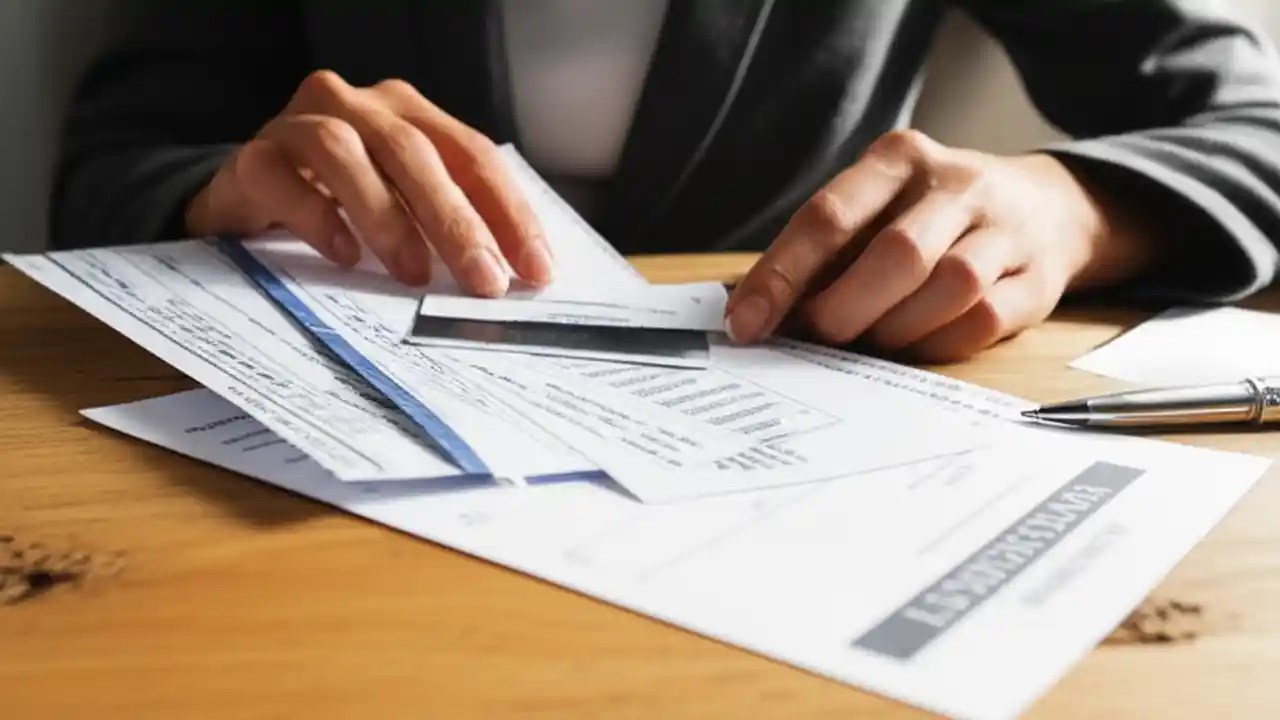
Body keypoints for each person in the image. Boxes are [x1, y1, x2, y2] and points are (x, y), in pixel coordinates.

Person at [51, 0, 1280, 362]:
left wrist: (1072, 206)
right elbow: (113, 164)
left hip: (795, 402)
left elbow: (1254, 118)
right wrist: (224, 188)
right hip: (329, 422)